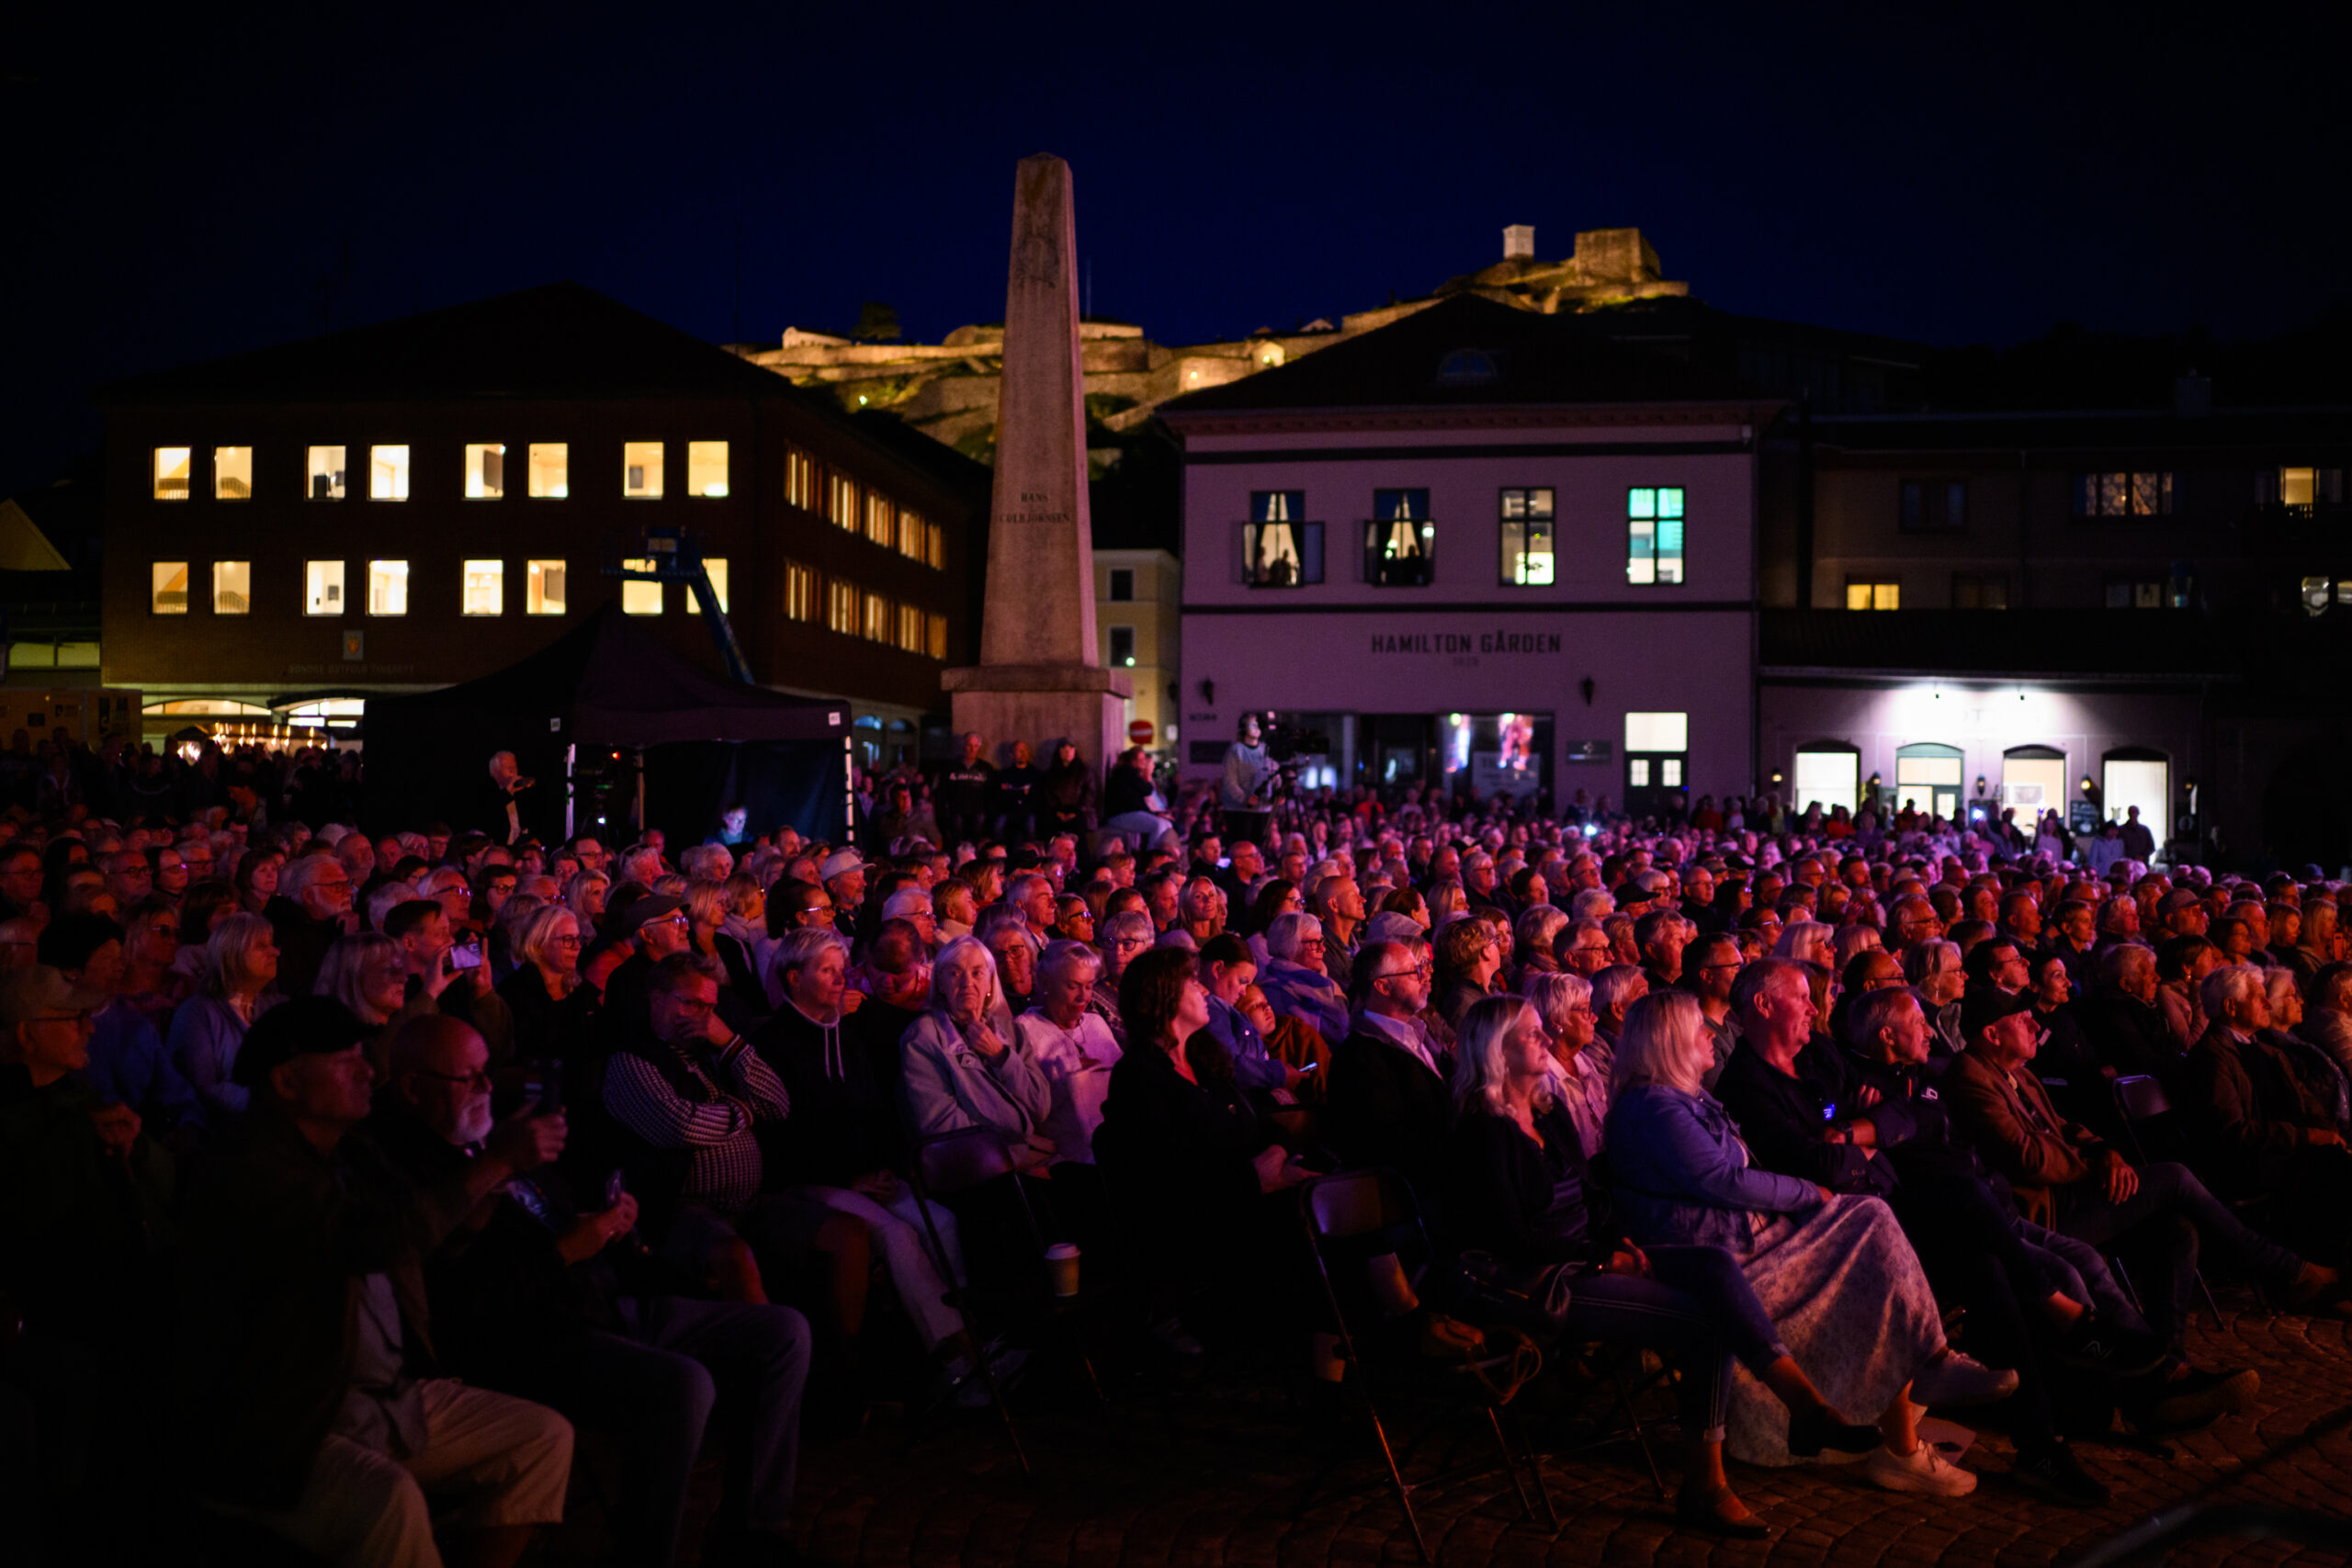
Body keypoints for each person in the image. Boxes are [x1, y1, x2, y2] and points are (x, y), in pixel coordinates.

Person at [370, 1011, 810, 1567]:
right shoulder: (414, 1176)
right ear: (414, 1087)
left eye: (488, 1072)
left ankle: (753, 1534)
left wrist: (602, 1223)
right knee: (683, 1385)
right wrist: (563, 1251)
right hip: (533, 1334)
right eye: (470, 1077)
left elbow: (547, 1214)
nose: (487, 1088)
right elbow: (464, 1302)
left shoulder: (479, 1139)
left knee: (783, 1332)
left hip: (598, 1299)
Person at [1442, 995, 1883, 1536]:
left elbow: (1590, 1200)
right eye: (1531, 1033)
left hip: (1588, 1257)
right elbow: (1510, 1237)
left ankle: (1805, 1407)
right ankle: (1707, 1484)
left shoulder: (1546, 1116)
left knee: (1714, 1268)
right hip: (1536, 1278)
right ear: (1496, 1051)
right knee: (1704, 1321)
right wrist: (1603, 1257)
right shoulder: (1484, 1132)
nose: (1545, 1039)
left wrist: (1618, 1241)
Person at [175, 997, 575, 1566]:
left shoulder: (351, 1151)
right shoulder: (246, 1167)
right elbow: (378, 1241)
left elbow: (429, 1243)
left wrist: (492, 1177)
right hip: (287, 1419)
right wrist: (496, 1165)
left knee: (543, 1437)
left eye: (365, 1056)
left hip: (381, 1397)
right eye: (346, 1061)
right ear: (286, 1081)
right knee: (389, 1500)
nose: (369, 1070)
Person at [1606, 990, 2005, 1493]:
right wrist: (1806, 1194)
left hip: (1750, 1237)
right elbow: (1723, 1180)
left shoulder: (1684, 1100)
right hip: (1725, 1256)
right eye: (1699, 1029)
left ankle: (1925, 1375)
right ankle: (1921, 1386)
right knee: (1870, 1226)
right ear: (1669, 1042)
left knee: (1872, 1231)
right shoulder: (1655, 1108)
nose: (1712, 1034)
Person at [1942, 984, 2345, 1385]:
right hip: (2044, 1211)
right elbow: (2029, 1157)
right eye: (2020, 1019)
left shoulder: (2018, 1075)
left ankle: (2167, 1367)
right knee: (2173, 1176)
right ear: (1993, 1034)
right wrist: (2094, 1167)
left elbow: (2067, 1128)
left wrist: (2106, 1152)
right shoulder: (1969, 1077)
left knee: (2177, 1230)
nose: (2034, 1024)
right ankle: (2284, 1270)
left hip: (2070, 1191)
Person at [1325, 940, 1453, 1194]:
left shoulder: (1419, 1033)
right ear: (1383, 986)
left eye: (1424, 967)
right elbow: (1388, 1143)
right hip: (1416, 1190)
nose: (1425, 976)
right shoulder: (1358, 1058)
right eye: (1414, 971)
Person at [167, 909, 280, 1122]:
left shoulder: (277, 1007)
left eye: (272, 944)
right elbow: (200, 1088)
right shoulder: (197, 1014)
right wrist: (272, 1101)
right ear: (232, 953)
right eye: (261, 946)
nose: (275, 952)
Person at [1220, 714, 1280, 848]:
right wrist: (1244, 798)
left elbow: (1275, 773)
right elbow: (1230, 781)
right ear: (1243, 728)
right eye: (1252, 724)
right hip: (1241, 811)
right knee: (1243, 846)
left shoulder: (1266, 750)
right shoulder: (1236, 751)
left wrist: (1278, 792)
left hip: (1264, 808)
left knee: (1261, 846)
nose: (1256, 728)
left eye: (1258, 724)